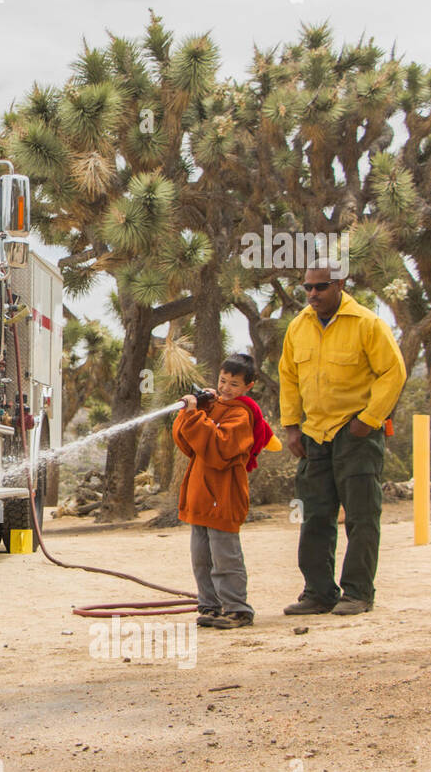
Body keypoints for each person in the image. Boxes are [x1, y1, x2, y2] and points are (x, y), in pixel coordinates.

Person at [277, 263, 407, 616]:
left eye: (320, 287)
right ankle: (318, 593)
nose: (313, 294)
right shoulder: (298, 326)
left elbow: (393, 372)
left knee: (362, 516)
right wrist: (291, 427)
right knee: (315, 516)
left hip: (356, 434)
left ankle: (358, 593)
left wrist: (368, 420)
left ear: (340, 285)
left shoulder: (368, 324)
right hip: (313, 434)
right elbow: (288, 377)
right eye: (307, 288)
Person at [173, 353, 279, 629]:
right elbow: (188, 444)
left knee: (225, 557)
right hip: (200, 495)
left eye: (234, 384)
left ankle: (237, 609)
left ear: (248, 386)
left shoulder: (241, 414)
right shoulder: (214, 407)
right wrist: (192, 411)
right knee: (202, 557)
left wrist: (197, 415)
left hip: (224, 496)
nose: (225, 388)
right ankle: (210, 605)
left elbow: (220, 449)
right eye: (222, 381)